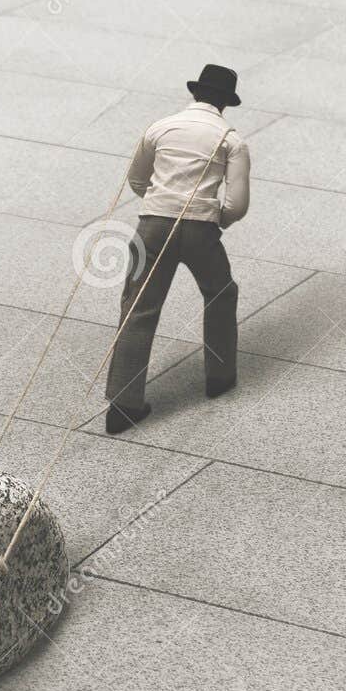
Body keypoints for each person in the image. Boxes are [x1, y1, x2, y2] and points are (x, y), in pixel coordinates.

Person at [104, 63, 250, 435]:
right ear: (225, 103)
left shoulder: (161, 127)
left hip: (151, 226)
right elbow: (237, 204)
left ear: (195, 93)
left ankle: (123, 405)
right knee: (220, 293)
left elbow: (137, 178)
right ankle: (219, 377)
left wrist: (160, 205)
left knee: (138, 307)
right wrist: (215, 216)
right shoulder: (231, 141)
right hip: (201, 230)